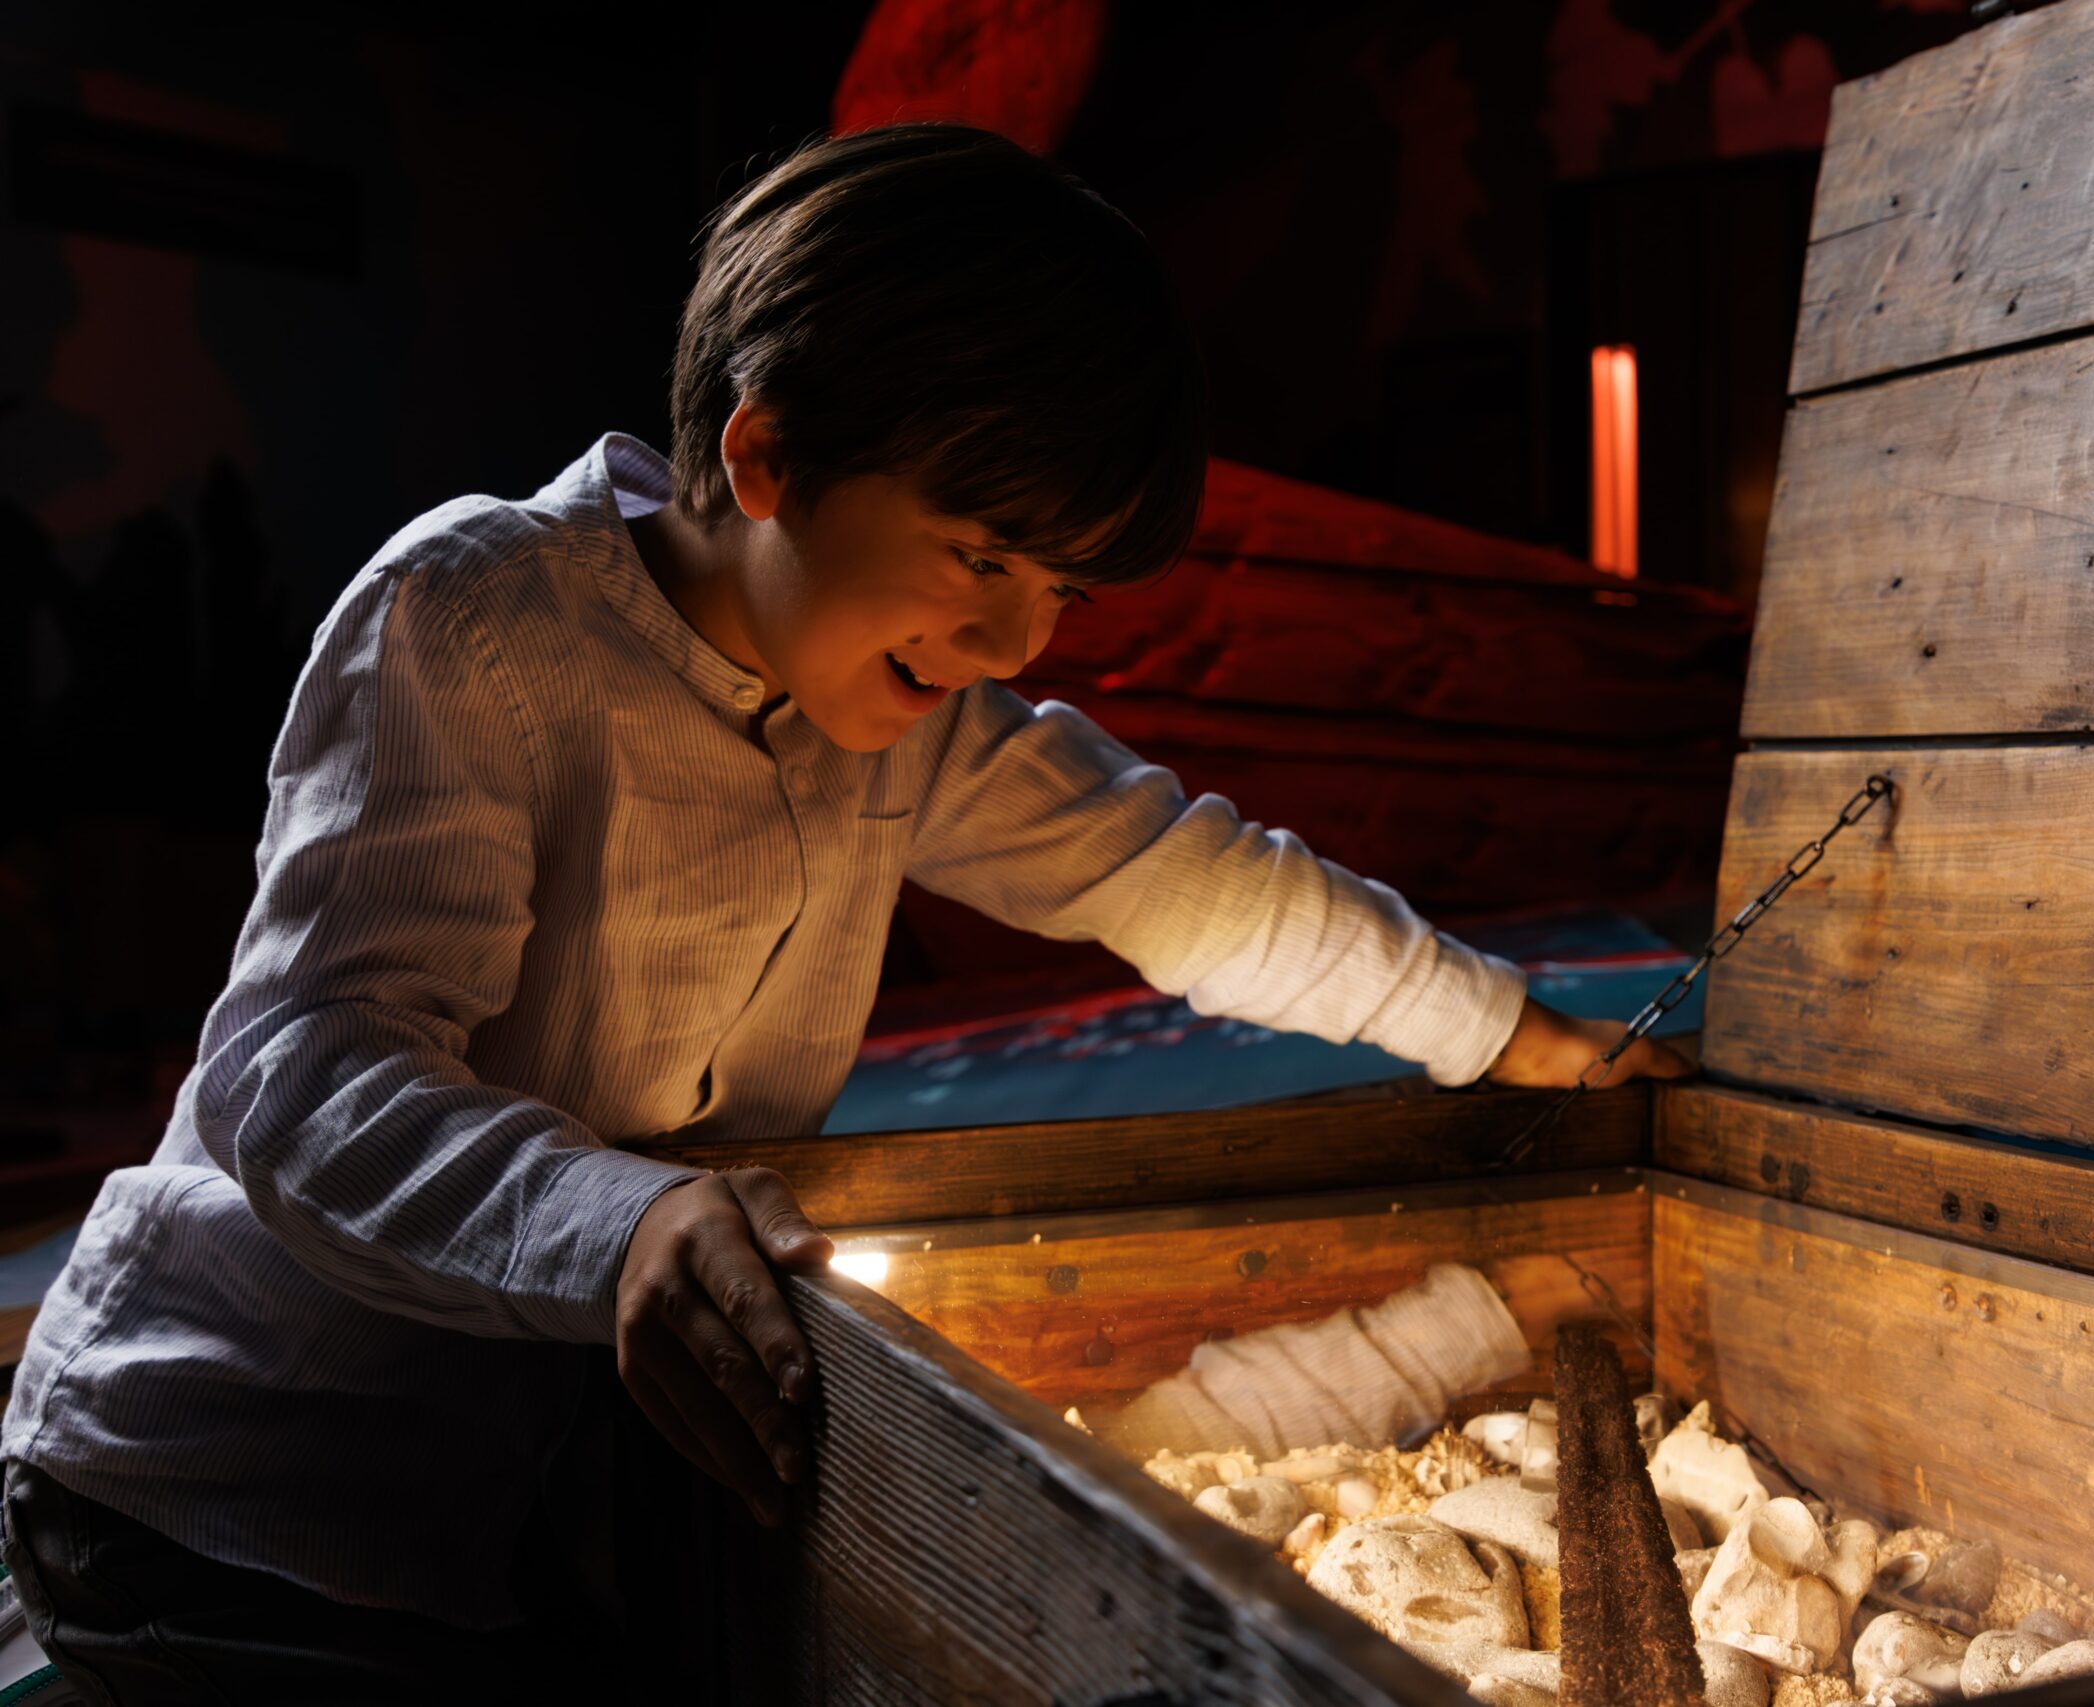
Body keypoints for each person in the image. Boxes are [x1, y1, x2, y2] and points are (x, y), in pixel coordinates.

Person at [0, 124, 1692, 1702]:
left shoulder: (908, 724)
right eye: (981, 555)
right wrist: (624, 1223)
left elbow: (1178, 874)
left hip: (491, 1523)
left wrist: (1505, 1030)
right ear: (764, 449)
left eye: (1058, 591)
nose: (1022, 642)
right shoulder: (478, 621)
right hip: (221, 1482)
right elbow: (308, 1077)